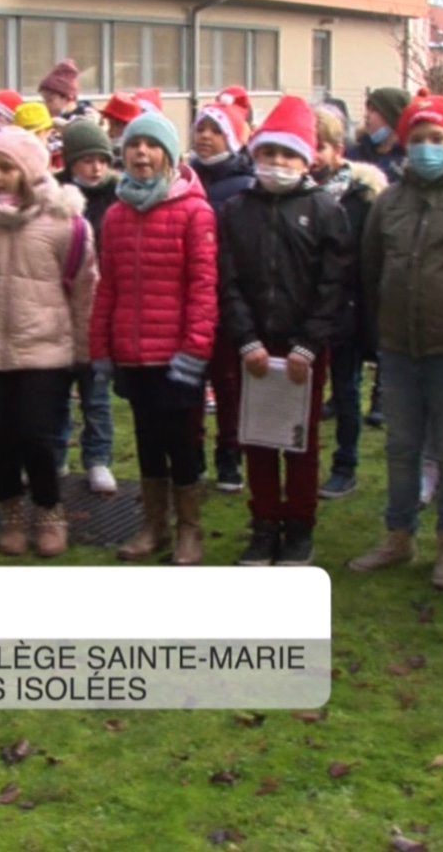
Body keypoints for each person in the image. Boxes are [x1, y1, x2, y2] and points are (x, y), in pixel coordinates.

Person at [346, 95, 443, 591]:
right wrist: (380, 331)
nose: (428, 149)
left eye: (438, 140)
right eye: (419, 140)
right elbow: (370, 271)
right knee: (401, 445)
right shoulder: (388, 201)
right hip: (398, 345)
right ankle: (399, 534)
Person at [218, 97, 349, 566]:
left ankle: (299, 527)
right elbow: (227, 279)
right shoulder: (236, 210)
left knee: (299, 440)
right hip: (253, 345)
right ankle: (264, 523)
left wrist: (309, 345)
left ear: (307, 159)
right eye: (269, 154)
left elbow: (332, 285)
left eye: (288, 156)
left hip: (302, 351)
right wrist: (246, 338)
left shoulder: (326, 210)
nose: (277, 164)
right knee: (255, 436)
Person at [0, 128, 98, 558]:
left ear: (30, 171)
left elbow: (84, 288)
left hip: (45, 347)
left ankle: (49, 510)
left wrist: (83, 348)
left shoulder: (65, 223)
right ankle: (11, 512)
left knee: (38, 436)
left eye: (7, 168)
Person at [90, 110, 218, 565]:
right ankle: (152, 525)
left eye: (151, 145)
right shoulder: (117, 215)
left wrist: (194, 350)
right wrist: (101, 348)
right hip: (132, 351)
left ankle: (189, 530)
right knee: (146, 439)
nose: (141, 152)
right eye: (132, 145)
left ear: (168, 154)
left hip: (176, 355)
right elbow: (108, 285)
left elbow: (203, 287)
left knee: (180, 441)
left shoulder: (194, 211)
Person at [311, 105, 386, 501]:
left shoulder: (361, 199)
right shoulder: (295, 194)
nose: (311, 155)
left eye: (319, 146)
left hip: (346, 311)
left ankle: (346, 463)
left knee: (346, 390)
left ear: (337, 149)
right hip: (305, 310)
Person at [188, 99, 256, 492]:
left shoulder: (246, 183)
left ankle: (230, 453)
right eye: (200, 129)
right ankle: (191, 451)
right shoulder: (183, 177)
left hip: (230, 297)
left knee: (230, 382)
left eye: (215, 130)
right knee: (190, 379)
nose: (206, 138)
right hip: (191, 298)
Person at [57, 118, 119, 495]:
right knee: (57, 393)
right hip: (62, 311)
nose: (96, 168)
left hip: (99, 312)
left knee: (97, 396)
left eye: (102, 159)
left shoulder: (118, 197)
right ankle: (57, 452)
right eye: (86, 160)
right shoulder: (57, 196)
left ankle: (98, 458)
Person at [347, 87, 410, 183]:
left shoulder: (406, 159)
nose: (366, 115)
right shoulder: (354, 153)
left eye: (373, 111)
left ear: (391, 117)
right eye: (367, 110)